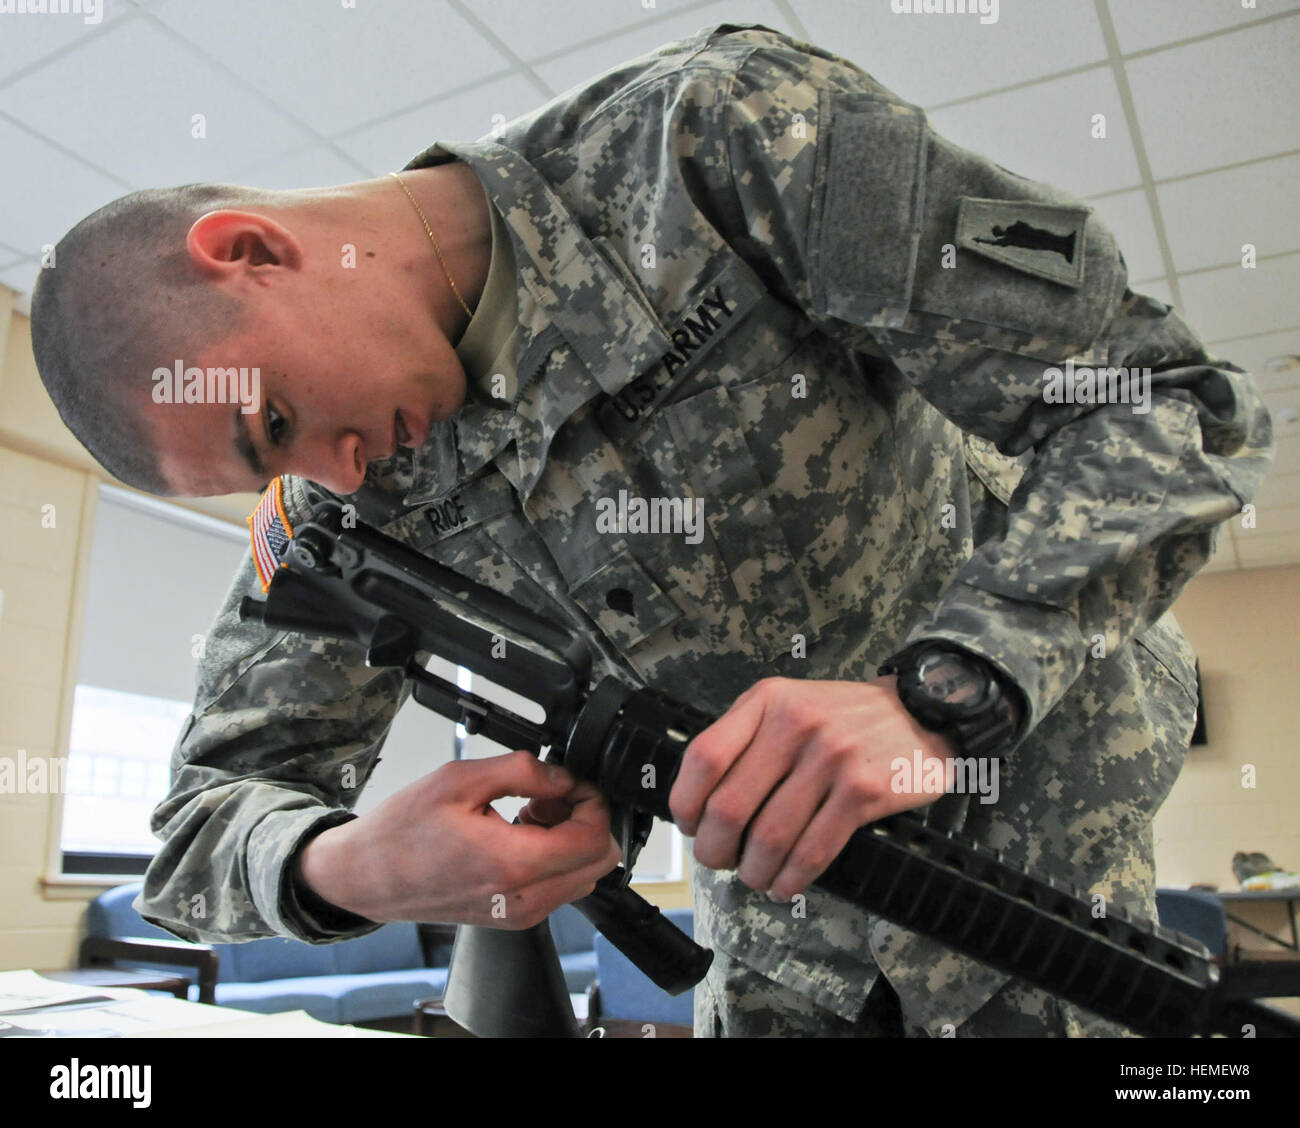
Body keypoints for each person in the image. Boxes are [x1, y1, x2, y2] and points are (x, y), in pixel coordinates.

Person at [29, 23, 1273, 1037]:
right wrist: (353, 868)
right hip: (785, 921)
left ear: (250, 251)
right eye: (275, 466)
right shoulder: (344, 509)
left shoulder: (714, 143)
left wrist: (934, 701)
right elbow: (202, 828)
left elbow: (1162, 402)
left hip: (1040, 860)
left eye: (280, 419)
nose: (326, 473)